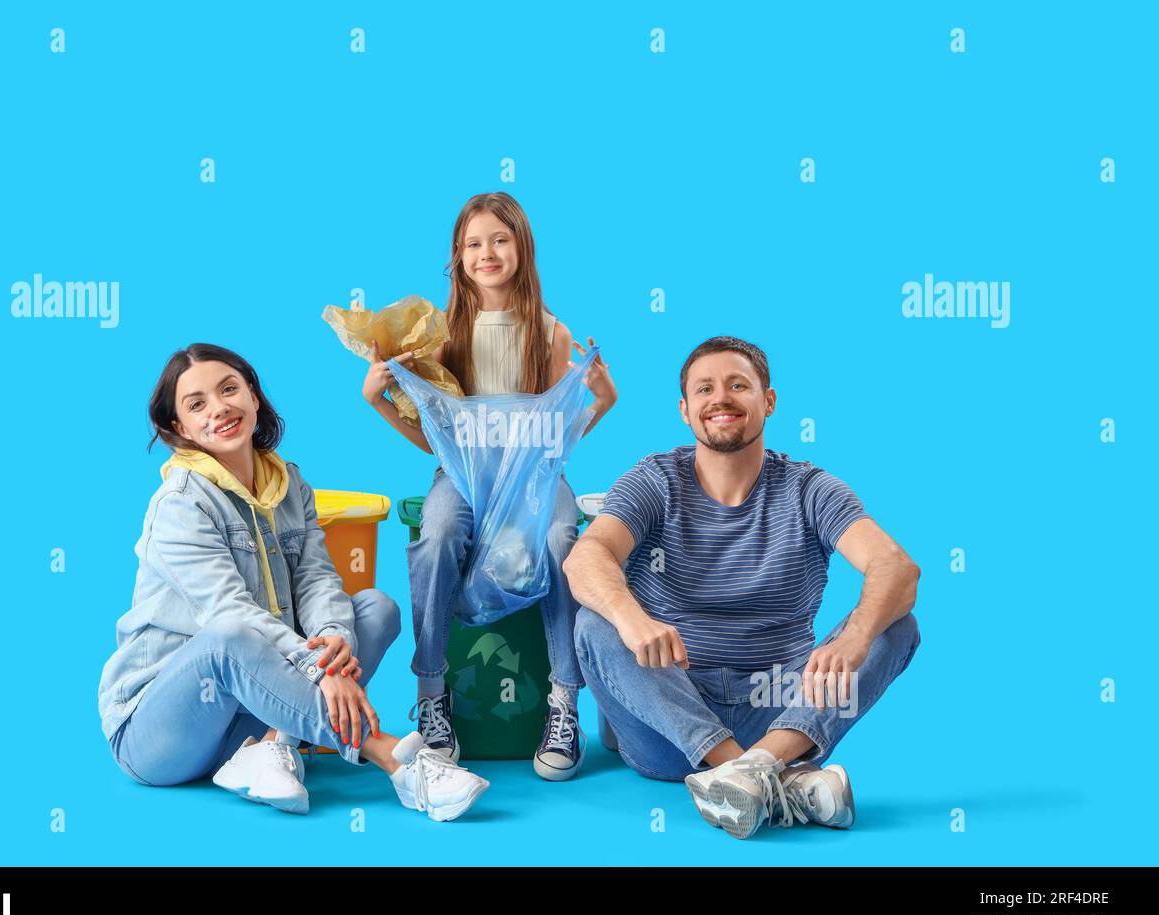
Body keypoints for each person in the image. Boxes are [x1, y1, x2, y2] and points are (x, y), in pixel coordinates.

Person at [97, 343, 490, 821]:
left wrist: (337, 646)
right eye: (196, 404)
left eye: (229, 389)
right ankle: (397, 759)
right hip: (158, 733)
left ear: (254, 397)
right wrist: (321, 669)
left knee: (374, 608)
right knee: (228, 636)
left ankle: (270, 747)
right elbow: (230, 613)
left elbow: (317, 579)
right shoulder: (180, 503)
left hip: (246, 714)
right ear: (180, 429)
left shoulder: (289, 483)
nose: (219, 408)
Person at [562, 335, 921, 838]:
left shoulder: (809, 488)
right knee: (595, 619)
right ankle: (776, 777)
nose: (721, 399)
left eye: (738, 385)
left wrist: (855, 637)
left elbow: (896, 567)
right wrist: (633, 617)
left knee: (895, 623)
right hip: (671, 724)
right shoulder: (655, 479)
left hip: (784, 714)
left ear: (768, 401)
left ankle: (750, 774)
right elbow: (587, 557)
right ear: (686, 411)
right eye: (705, 389)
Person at [362, 192, 617, 780]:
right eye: (473, 243)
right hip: (462, 475)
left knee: (560, 538)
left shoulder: (550, 332)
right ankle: (431, 693)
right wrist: (379, 401)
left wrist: (603, 397)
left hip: (536, 474)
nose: (487, 253)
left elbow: (562, 428)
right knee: (440, 528)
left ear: (522, 248)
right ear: (457, 255)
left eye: (500, 240)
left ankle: (563, 701)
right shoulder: (441, 333)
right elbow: (436, 441)